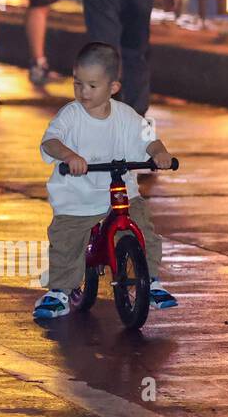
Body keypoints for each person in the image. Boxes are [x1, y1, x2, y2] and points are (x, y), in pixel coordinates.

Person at [33, 41, 177, 319]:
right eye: (78, 84)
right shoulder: (71, 115)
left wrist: (160, 154)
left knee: (142, 229)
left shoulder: (126, 117)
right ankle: (59, 292)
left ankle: (152, 281)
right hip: (78, 195)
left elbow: (149, 140)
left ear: (113, 88)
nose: (83, 92)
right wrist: (69, 155)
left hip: (120, 191)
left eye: (92, 86)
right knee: (67, 239)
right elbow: (51, 141)